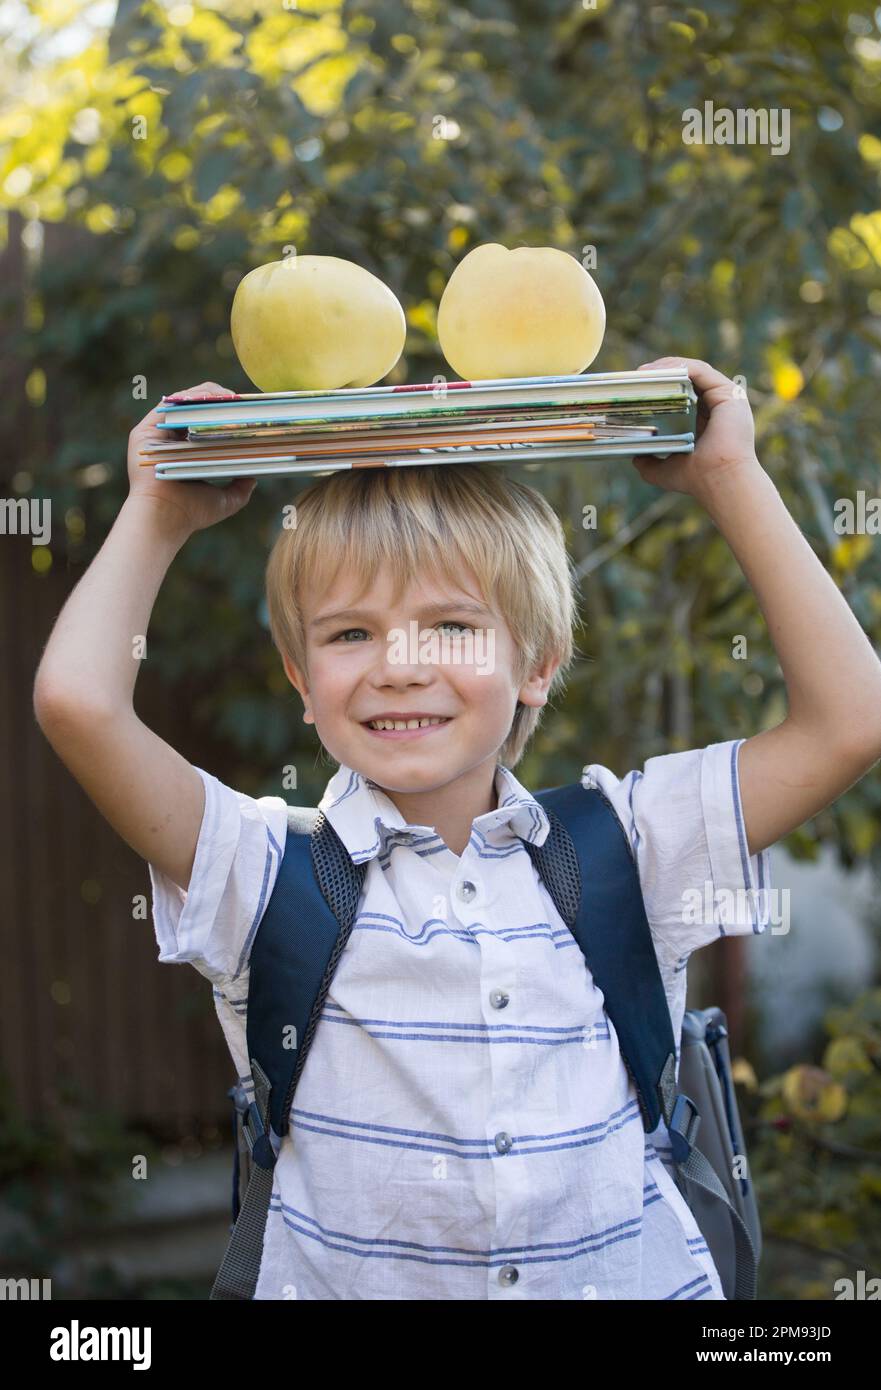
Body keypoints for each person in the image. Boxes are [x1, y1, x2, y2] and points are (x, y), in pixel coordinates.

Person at [33, 358, 881, 1299]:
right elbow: (79, 702)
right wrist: (157, 510)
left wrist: (730, 477)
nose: (398, 665)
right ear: (299, 677)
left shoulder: (625, 848)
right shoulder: (260, 869)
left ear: (537, 661)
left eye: (450, 626)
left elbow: (850, 719)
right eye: (349, 634)